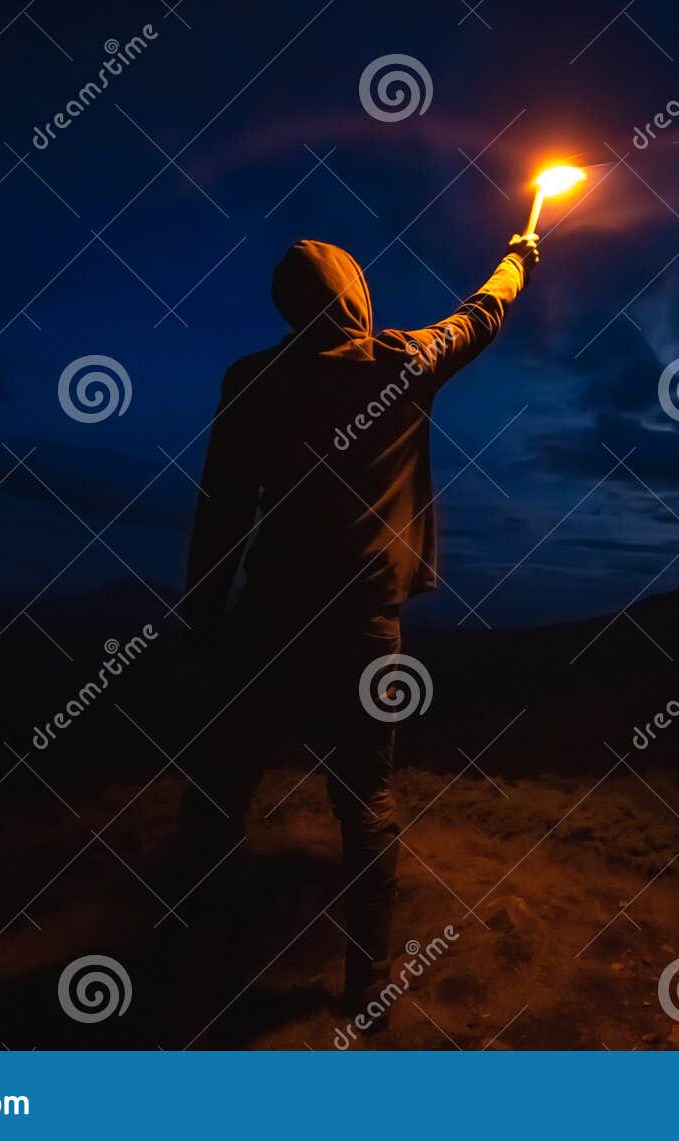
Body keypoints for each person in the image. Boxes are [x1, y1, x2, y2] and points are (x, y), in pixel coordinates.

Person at [178, 232, 541, 1026]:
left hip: (267, 619)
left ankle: (189, 962)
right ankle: (367, 981)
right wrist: (520, 255)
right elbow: (483, 314)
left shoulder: (253, 380)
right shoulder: (405, 360)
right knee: (367, 800)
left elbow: (222, 508)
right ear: (353, 293)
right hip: (364, 628)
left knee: (219, 794)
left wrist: (201, 610)